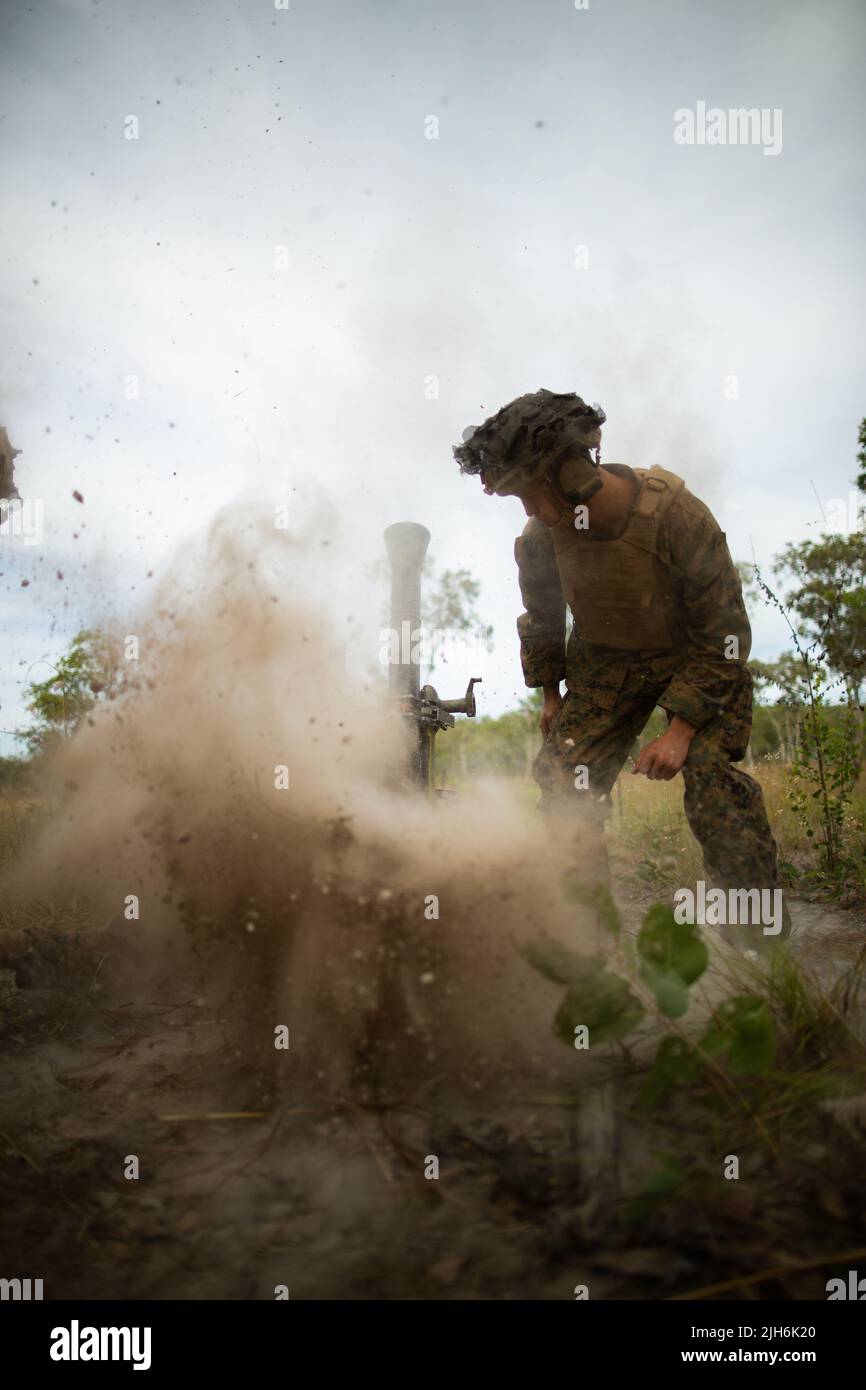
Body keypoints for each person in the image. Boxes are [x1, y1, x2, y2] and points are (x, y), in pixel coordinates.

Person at [454, 388, 789, 947]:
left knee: (714, 784)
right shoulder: (542, 539)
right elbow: (541, 616)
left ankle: (757, 943)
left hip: (697, 662)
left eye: (532, 495)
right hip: (606, 664)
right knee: (563, 778)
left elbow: (725, 636)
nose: (531, 512)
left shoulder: (678, 515)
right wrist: (552, 697)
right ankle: (589, 942)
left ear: (576, 472)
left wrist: (680, 732)